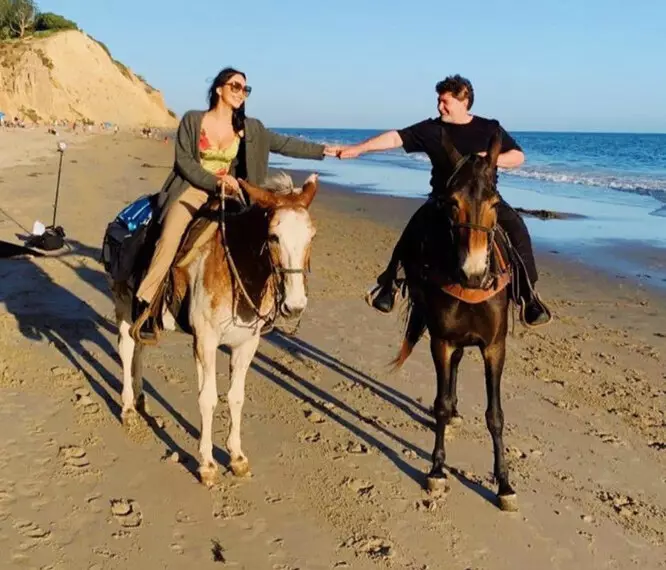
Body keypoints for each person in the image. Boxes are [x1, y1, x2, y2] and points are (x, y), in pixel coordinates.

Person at [131, 67, 341, 340]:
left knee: (260, 239)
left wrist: (323, 151)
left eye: (245, 89)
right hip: (193, 189)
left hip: (232, 195)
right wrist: (215, 181)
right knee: (169, 238)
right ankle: (147, 304)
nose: (242, 93)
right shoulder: (194, 120)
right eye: (236, 86)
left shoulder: (248, 128)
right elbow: (184, 162)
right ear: (219, 89)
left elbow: (284, 143)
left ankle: (261, 306)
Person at [338, 74, 551, 326]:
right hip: (443, 201)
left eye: (445, 101)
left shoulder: (489, 128)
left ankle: (528, 296)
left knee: (517, 228)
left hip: (483, 202)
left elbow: (518, 156)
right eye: (439, 101)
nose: (440, 107)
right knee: (412, 231)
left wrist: (488, 159)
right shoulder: (432, 130)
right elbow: (396, 138)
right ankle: (390, 286)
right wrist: (359, 148)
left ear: (464, 101)